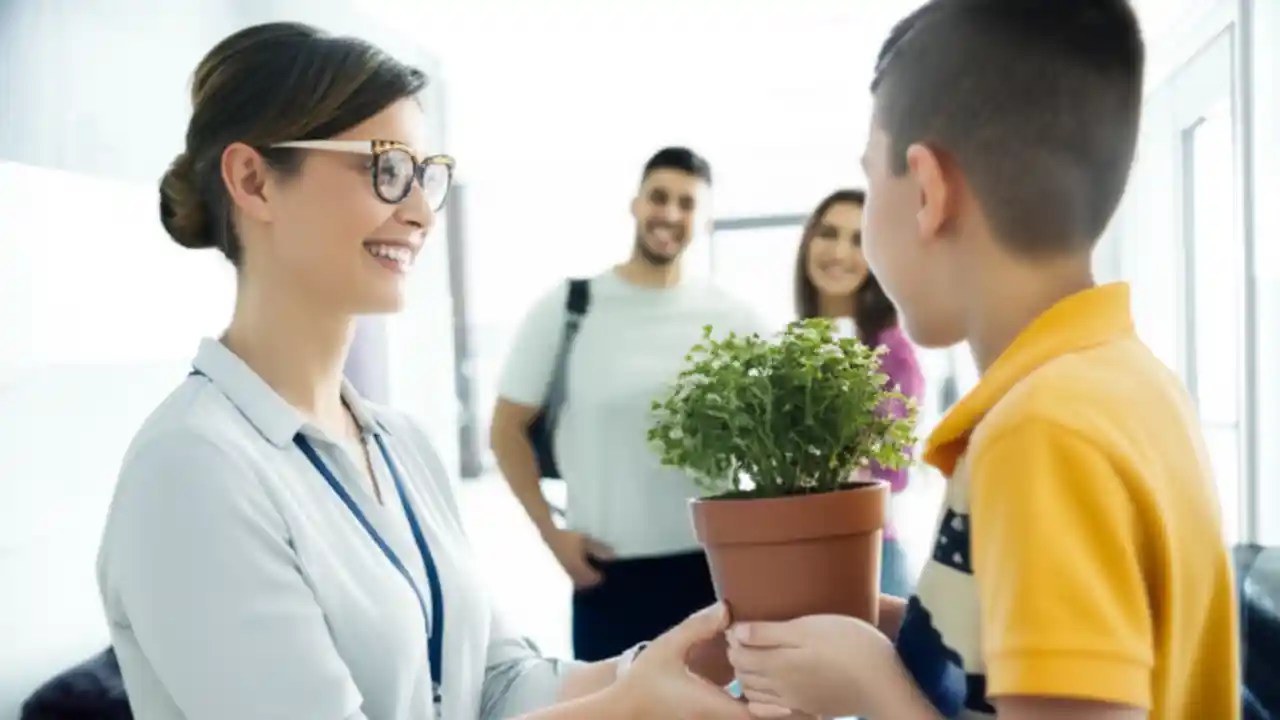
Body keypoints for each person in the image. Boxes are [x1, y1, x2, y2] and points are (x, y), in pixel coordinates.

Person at [95, 22, 749, 720]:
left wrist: (679, 663)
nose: (418, 213)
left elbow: (495, 683)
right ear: (254, 181)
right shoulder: (192, 469)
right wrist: (627, 710)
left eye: (425, 177)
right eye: (385, 169)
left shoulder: (399, 445)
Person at [727, 1, 1241, 719]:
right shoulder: (1125, 384)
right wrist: (906, 638)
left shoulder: (1041, 435)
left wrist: (873, 687)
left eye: (872, 178)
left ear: (928, 192)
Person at [490, 147, 765, 668]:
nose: (670, 214)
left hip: (715, 574)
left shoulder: (737, 318)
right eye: (659, 197)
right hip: (608, 575)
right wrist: (552, 536)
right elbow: (506, 429)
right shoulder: (572, 306)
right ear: (636, 204)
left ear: (703, 221)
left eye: (687, 203)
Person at [794, 188, 925, 598]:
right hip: (803, 551)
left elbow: (892, 471)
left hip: (867, 557)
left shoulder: (892, 352)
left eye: (858, 239)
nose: (839, 252)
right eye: (828, 233)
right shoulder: (796, 346)